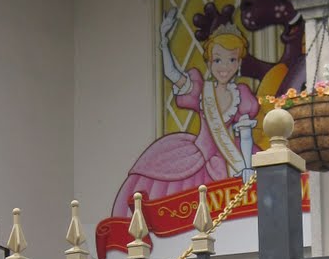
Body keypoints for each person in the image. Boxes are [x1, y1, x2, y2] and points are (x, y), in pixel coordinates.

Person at [110, 21, 261, 219]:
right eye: (218, 60)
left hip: (232, 159)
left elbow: (246, 135)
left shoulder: (241, 94)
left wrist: (248, 168)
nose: (224, 67)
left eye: (231, 60)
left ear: (239, 63)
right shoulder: (201, 89)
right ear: (209, 62)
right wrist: (164, 42)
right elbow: (172, 74)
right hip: (197, 156)